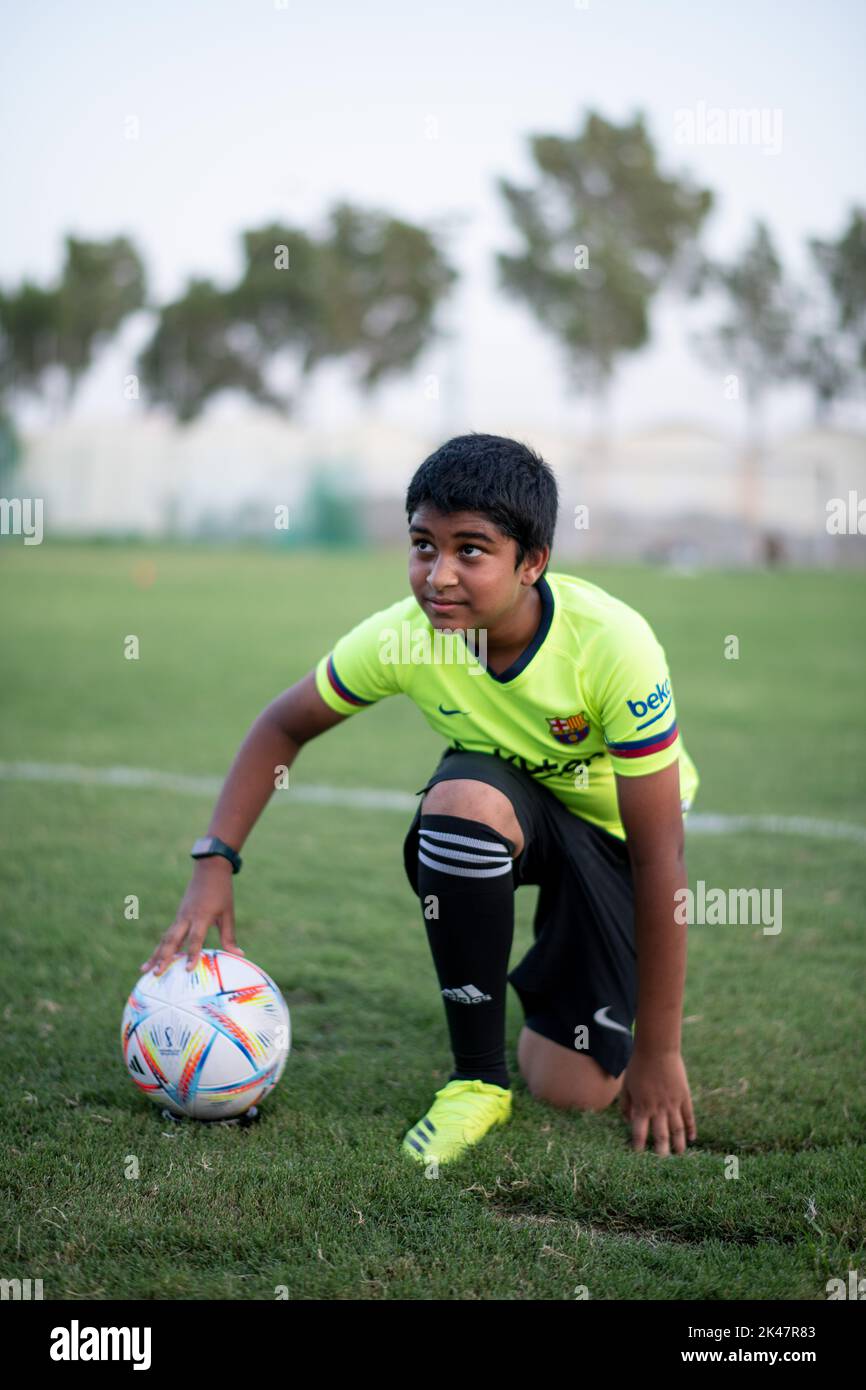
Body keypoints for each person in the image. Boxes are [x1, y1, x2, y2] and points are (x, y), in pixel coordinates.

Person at [142, 432, 700, 1163]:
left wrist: (660, 1052)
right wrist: (215, 858)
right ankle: (476, 1082)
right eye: (422, 545)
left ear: (531, 562)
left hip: (612, 839)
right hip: (500, 809)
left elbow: (660, 856)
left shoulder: (613, 646)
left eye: (470, 550)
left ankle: (571, 978)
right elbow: (284, 723)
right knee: (461, 803)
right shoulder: (406, 638)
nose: (438, 575)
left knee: (572, 1088)